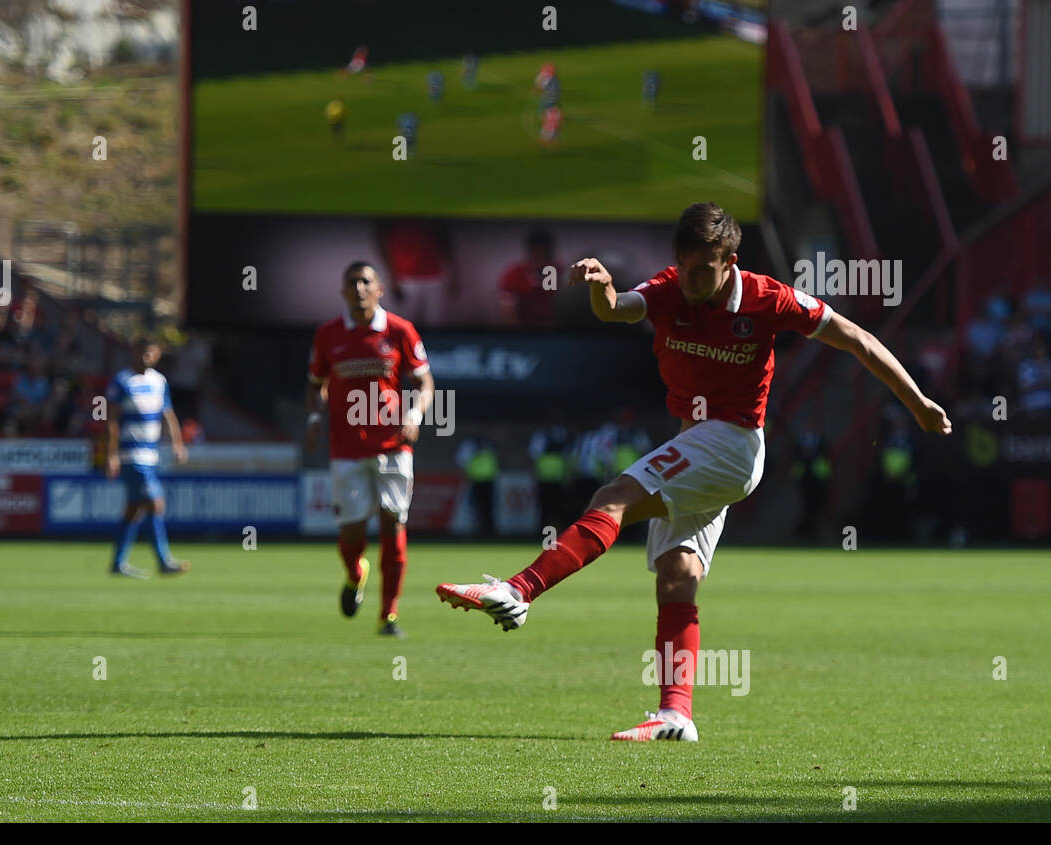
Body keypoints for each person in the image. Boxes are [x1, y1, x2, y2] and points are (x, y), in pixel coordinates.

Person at [437, 202, 952, 742]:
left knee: (612, 496)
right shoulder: (668, 288)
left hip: (732, 443)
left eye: (703, 270)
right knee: (677, 576)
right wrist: (601, 286)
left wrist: (915, 401)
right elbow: (616, 309)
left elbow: (856, 338)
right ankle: (675, 715)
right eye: (684, 267)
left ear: (730, 262)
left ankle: (520, 590)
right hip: (695, 443)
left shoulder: (767, 297)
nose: (690, 279)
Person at [306, 261, 435, 638]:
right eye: (352, 282)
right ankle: (354, 572)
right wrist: (315, 419)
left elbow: (425, 381)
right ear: (343, 291)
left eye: (367, 281)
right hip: (346, 449)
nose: (360, 288)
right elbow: (315, 385)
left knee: (393, 523)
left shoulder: (400, 330)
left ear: (380, 289)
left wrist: (415, 415)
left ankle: (389, 616)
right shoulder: (328, 335)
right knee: (351, 533)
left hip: (394, 446)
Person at [105, 337, 190, 578]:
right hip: (130, 455)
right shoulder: (122, 381)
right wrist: (111, 455)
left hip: (150, 455)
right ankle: (164, 561)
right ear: (133, 351)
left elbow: (168, 414)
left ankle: (118, 563)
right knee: (155, 502)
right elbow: (111, 421)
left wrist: (177, 443)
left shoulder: (159, 381)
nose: (146, 355)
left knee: (134, 509)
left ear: (158, 354)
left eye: (150, 351)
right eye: (141, 349)